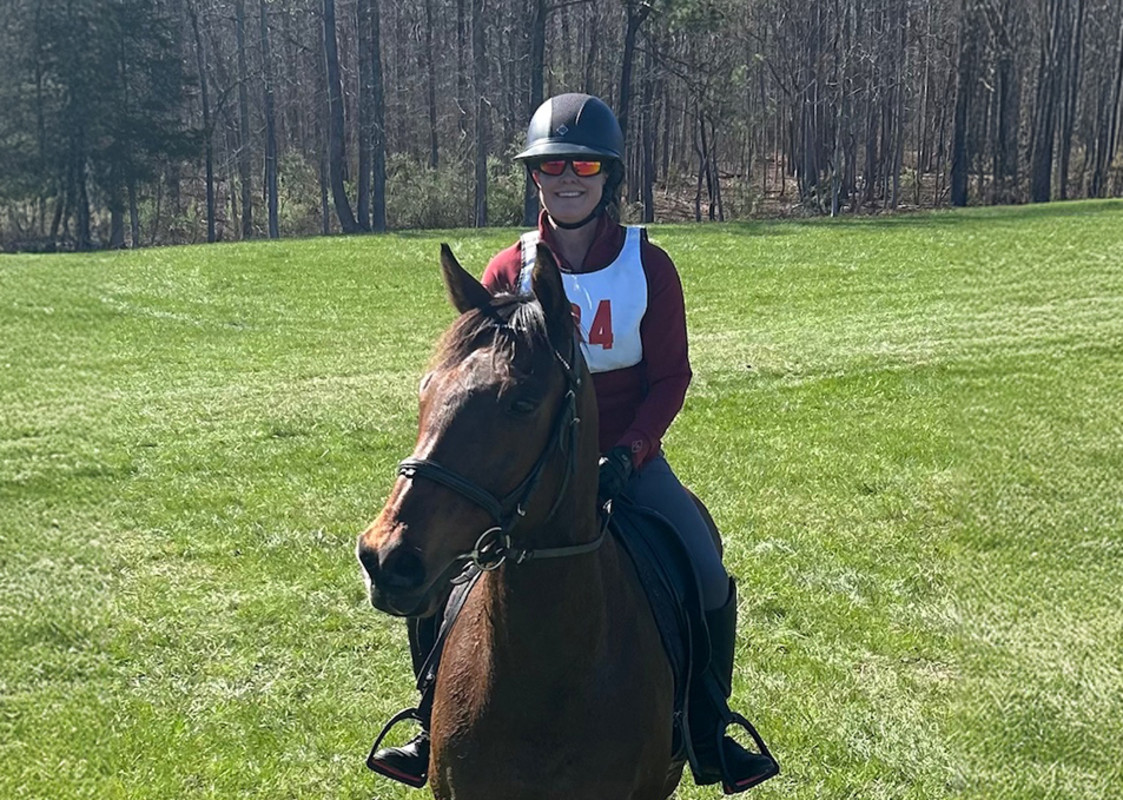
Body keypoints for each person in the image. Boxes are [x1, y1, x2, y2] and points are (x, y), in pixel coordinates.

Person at [367, 93, 779, 794]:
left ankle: (707, 728)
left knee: (703, 566)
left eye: (582, 164)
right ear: (535, 177)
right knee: (443, 573)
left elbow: (669, 376)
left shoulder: (650, 266)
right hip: (528, 466)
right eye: (550, 165)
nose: (566, 177)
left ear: (605, 175)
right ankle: (427, 718)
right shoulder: (506, 270)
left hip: (625, 457)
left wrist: (631, 453)